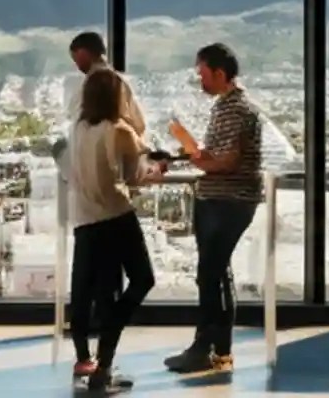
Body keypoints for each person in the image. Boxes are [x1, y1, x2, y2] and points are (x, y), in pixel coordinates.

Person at [164, 43, 262, 375]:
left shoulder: (237, 109)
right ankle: (219, 351)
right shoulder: (226, 107)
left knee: (210, 275)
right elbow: (218, 155)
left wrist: (199, 159)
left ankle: (204, 348)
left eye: (203, 75)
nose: (200, 82)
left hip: (228, 201)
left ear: (220, 74)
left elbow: (226, 160)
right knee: (217, 274)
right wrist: (196, 154)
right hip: (222, 199)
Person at [67, 69, 165, 391]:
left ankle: (99, 365)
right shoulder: (120, 130)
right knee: (142, 280)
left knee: (97, 291)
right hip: (116, 218)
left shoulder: (79, 128)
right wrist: (158, 168)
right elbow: (136, 176)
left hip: (86, 221)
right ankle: (105, 360)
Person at [65, 31, 145, 135]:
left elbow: (75, 117)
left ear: (83, 53)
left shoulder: (91, 84)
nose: (77, 66)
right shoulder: (120, 81)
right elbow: (140, 124)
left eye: (76, 59)